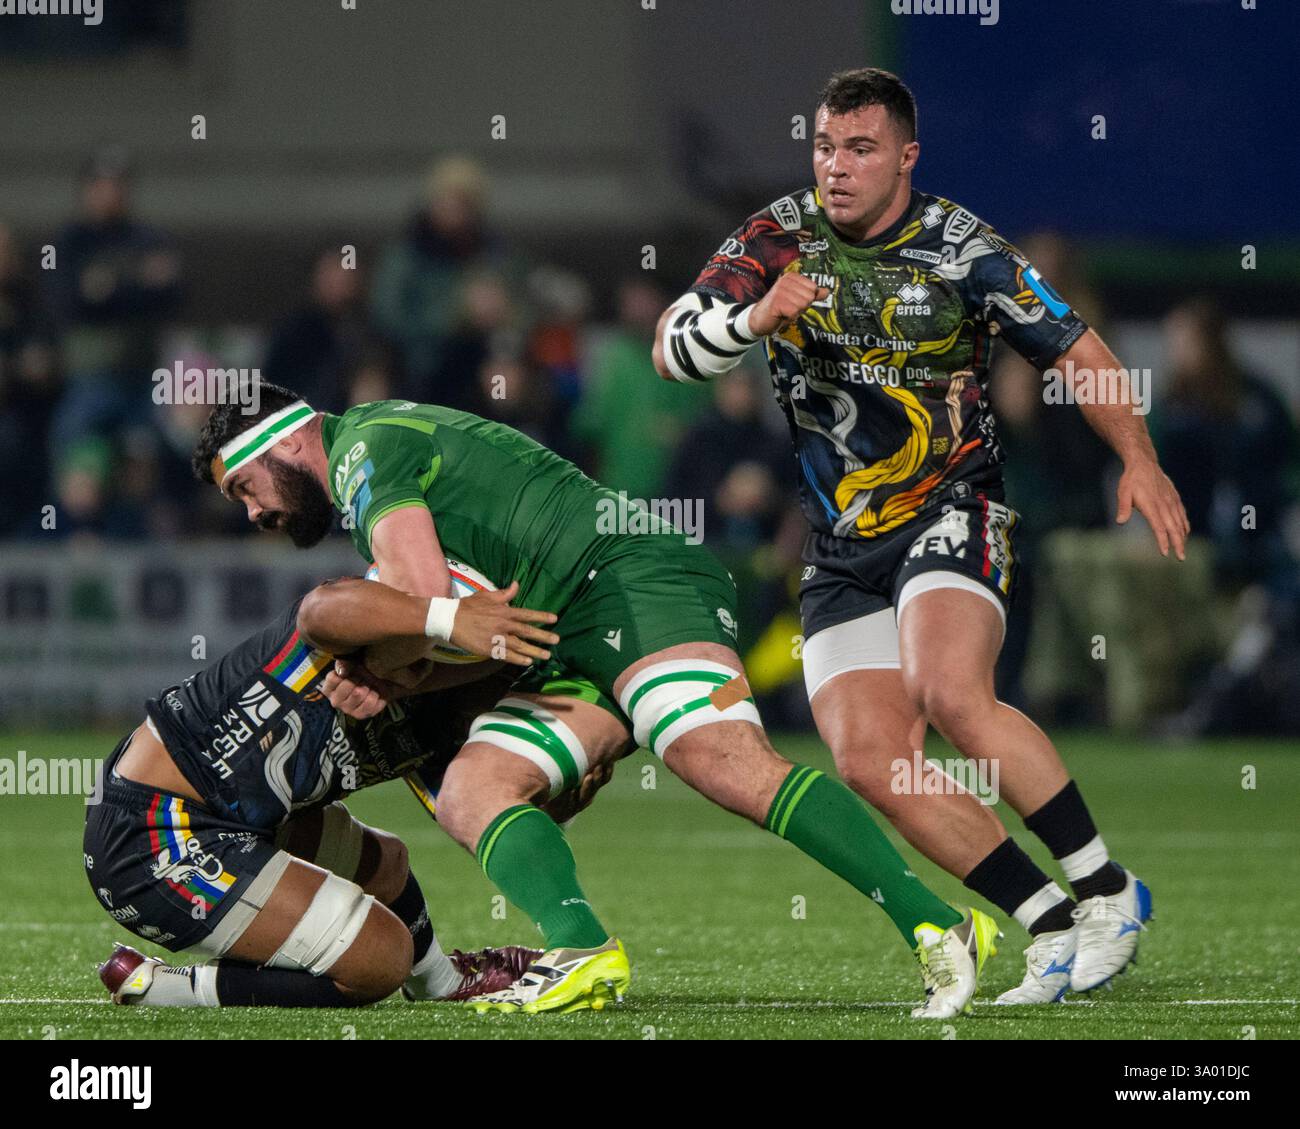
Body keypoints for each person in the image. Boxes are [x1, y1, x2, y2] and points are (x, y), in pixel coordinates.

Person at [190, 384, 1001, 1020]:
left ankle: (940, 923)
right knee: (473, 792)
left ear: (287, 441)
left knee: (720, 760)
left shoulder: (364, 452)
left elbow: (423, 593)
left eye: (246, 486)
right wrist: (401, 673)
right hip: (562, 628)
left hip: (630, 580)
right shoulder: (377, 443)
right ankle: (580, 949)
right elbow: (480, 631)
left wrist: (384, 665)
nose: (255, 511)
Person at [650, 68, 1189, 1002]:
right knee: (868, 759)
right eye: (824, 147)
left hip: (953, 512)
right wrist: (754, 316)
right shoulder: (778, 237)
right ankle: (1050, 923)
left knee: (948, 690)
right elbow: (672, 345)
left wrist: (1137, 457)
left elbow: (1075, 348)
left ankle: (1107, 891)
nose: (836, 168)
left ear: (906, 156)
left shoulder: (959, 247)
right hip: (839, 543)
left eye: (859, 149)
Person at [87, 576, 570, 1009]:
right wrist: (448, 616)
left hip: (240, 818)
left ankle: (439, 982)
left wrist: (566, 784)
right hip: (152, 832)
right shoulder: (394, 645)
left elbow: (482, 819)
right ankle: (166, 987)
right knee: (382, 960)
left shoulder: (454, 737)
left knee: (388, 864)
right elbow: (320, 609)